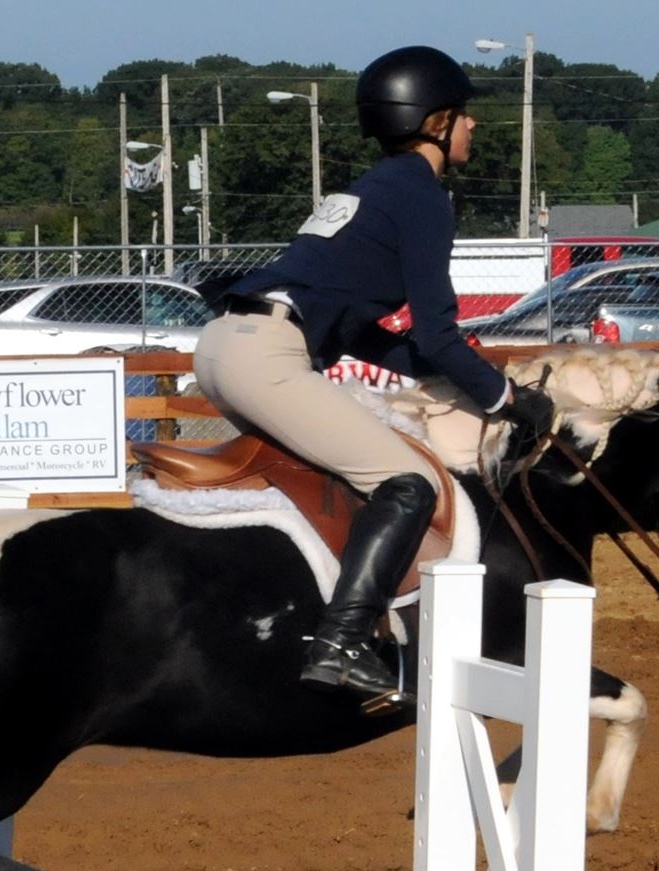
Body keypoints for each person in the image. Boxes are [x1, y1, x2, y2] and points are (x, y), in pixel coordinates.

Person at [192, 45, 557, 712]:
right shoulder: (423, 198)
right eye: (466, 116)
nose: (475, 128)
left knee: (337, 475)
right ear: (436, 121)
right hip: (269, 356)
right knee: (405, 483)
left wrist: (439, 375)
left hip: (224, 345)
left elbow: (366, 334)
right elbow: (439, 332)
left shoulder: (365, 191)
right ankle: (341, 641)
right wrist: (507, 400)